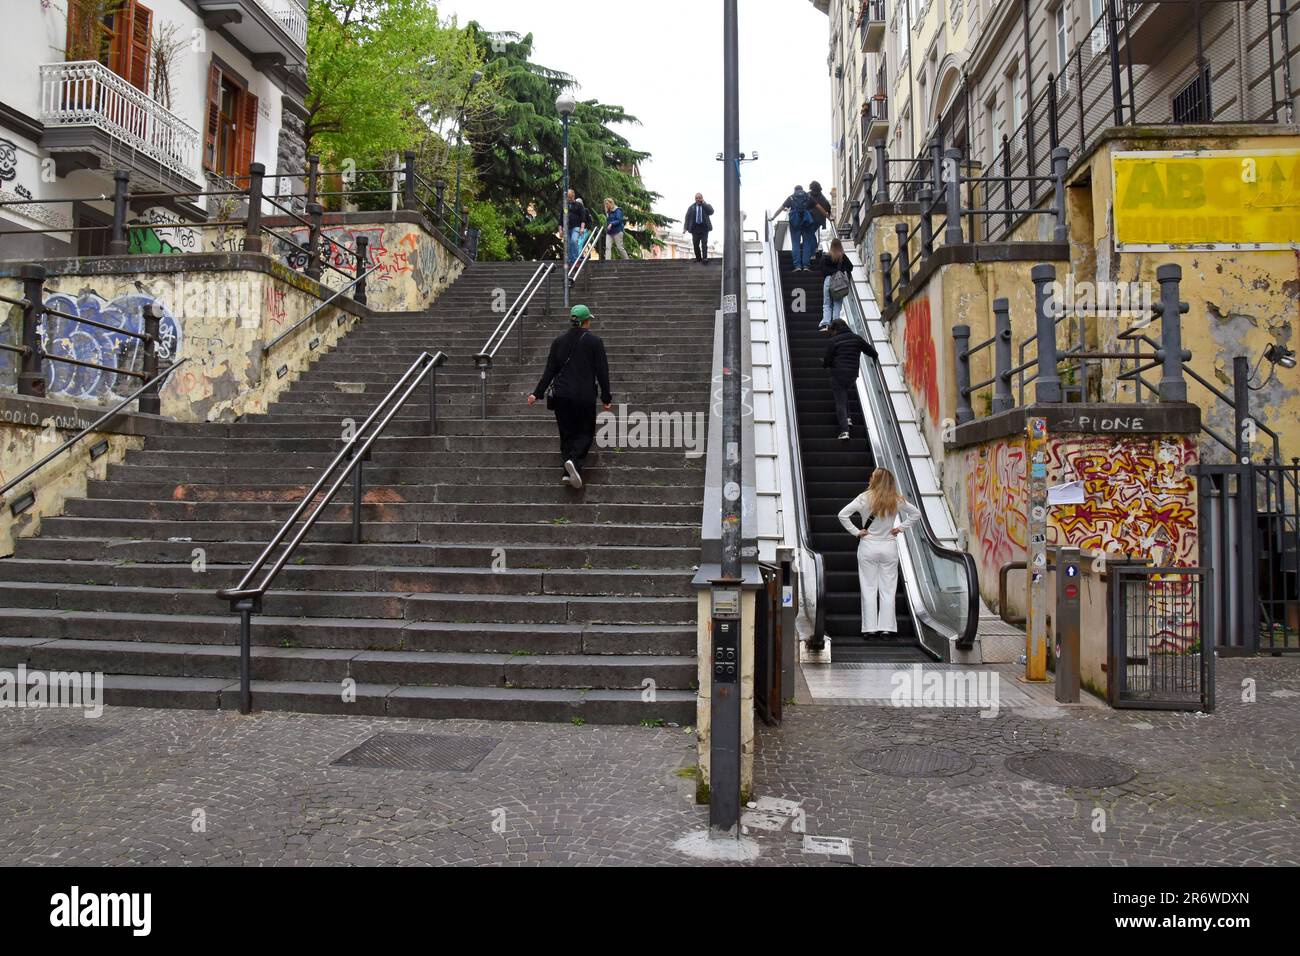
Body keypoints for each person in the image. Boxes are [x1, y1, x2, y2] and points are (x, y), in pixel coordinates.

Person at [528, 304, 612, 490]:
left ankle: (568, 472)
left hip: (562, 395)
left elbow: (550, 370)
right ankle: (574, 461)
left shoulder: (558, 341)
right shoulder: (594, 342)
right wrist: (606, 398)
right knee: (585, 431)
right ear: (586, 321)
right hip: (584, 396)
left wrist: (537, 393)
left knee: (566, 432)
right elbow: (602, 371)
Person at [838, 468, 921, 637]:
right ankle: (887, 628)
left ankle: (869, 629)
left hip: (868, 546)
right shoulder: (896, 499)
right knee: (888, 589)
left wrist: (856, 531)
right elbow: (916, 514)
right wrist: (899, 528)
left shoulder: (864, 497)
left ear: (874, 479)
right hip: (888, 546)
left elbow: (842, 514)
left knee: (868, 587)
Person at [822, 317, 877, 440]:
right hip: (852, 374)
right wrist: (875, 357)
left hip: (838, 373)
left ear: (836, 329)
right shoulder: (856, 338)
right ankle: (848, 419)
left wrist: (825, 364)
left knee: (840, 401)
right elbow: (870, 351)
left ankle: (844, 431)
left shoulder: (833, 341)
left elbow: (828, 359)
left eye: (833, 330)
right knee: (844, 392)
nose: (833, 333)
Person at [818, 238, 853, 331]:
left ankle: (826, 323)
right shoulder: (843, 257)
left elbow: (822, 269)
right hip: (839, 282)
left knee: (827, 304)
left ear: (831, 246)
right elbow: (851, 267)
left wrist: (831, 272)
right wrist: (841, 271)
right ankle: (835, 325)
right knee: (837, 304)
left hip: (829, 280)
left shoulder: (826, 257)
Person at [779, 185, 817, 271]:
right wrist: (828, 216)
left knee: (795, 244)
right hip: (806, 222)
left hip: (795, 222)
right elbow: (819, 207)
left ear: (794, 190)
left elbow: (781, 208)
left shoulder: (791, 198)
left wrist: (773, 217)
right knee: (807, 243)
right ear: (802, 190)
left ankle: (797, 266)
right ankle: (806, 266)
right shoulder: (808, 197)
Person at [684, 193, 714, 262]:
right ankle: (698, 258)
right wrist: (685, 228)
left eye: (699, 198)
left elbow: (711, 212)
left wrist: (704, 203)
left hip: (704, 228)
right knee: (695, 244)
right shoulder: (691, 207)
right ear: (695, 199)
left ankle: (705, 258)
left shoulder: (706, 206)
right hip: (695, 228)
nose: (698, 199)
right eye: (697, 198)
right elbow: (687, 217)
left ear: (702, 198)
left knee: (704, 243)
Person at [807, 180, 832, 246]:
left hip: (810, 218)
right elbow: (828, 206)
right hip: (819, 219)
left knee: (809, 233)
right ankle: (814, 247)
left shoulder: (808, 195)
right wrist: (829, 215)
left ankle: (814, 247)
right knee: (810, 233)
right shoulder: (822, 197)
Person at [565, 190, 585, 265]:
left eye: (570, 197)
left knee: (574, 241)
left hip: (576, 227)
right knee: (569, 245)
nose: (569, 198)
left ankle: (576, 260)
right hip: (567, 228)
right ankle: (571, 261)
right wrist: (560, 229)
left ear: (573, 196)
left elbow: (583, 217)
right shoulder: (565, 206)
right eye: (568, 197)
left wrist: (582, 228)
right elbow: (561, 217)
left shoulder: (579, 205)